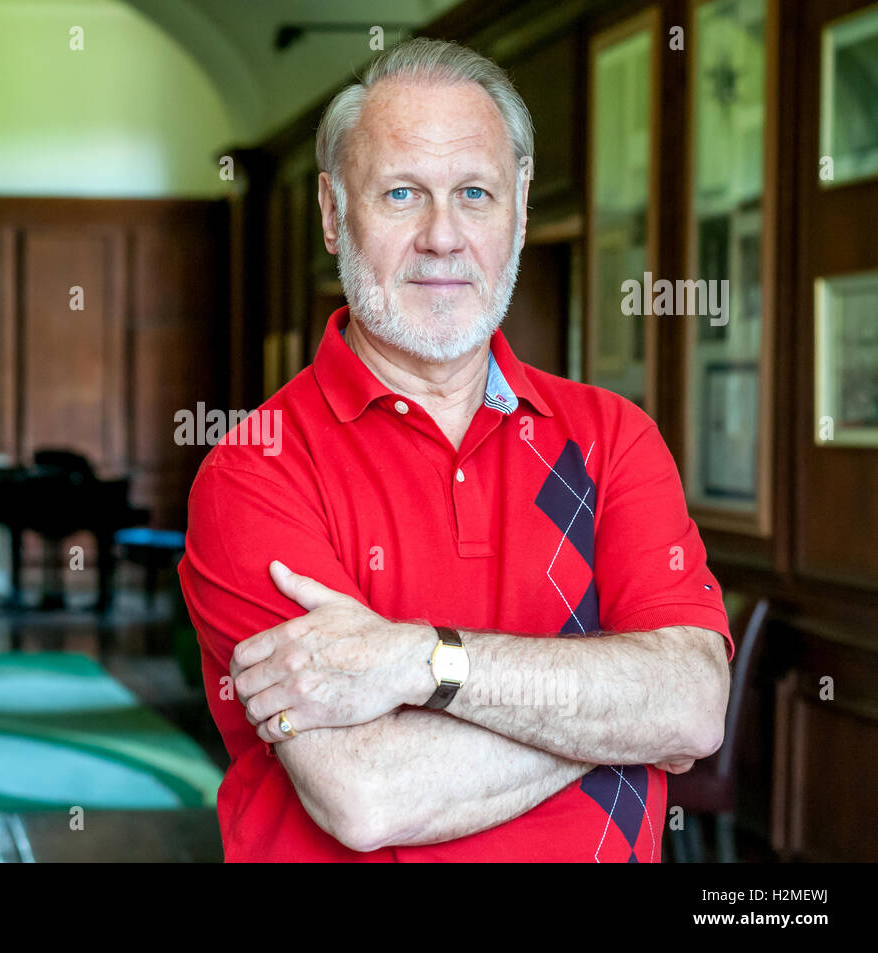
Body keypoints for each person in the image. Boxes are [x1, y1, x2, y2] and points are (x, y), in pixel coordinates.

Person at [177, 37, 733, 862]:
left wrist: (418, 661)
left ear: (519, 204)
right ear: (332, 214)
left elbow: (690, 704)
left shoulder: (615, 437)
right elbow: (368, 793)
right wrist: (611, 713)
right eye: (401, 194)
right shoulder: (255, 470)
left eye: (476, 192)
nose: (444, 236)